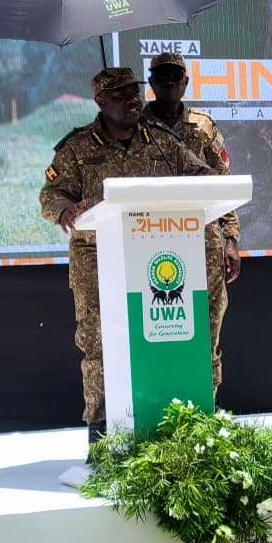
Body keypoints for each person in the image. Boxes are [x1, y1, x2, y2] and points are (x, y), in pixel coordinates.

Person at [40, 66, 214, 453]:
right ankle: (102, 433)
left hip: (154, 253)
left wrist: (205, 177)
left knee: (162, 336)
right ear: (100, 102)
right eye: (120, 95)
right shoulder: (77, 148)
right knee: (98, 341)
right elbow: (50, 195)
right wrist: (66, 210)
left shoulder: (163, 141)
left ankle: (166, 427)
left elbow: (199, 173)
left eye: (134, 92)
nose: (132, 100)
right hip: (96, 257)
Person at [142, 52, 241, 394]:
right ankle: (160, 399)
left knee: (208, 321)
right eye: (162, 77)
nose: (169, 83)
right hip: (150, 238)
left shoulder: (203, 125)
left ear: (186, 82)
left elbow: (223, 183)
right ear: (151, 82)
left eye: (176, 77)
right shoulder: (135, 126)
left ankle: (206, 403)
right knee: (159, 324)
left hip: (203, 238)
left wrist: (231, 239)